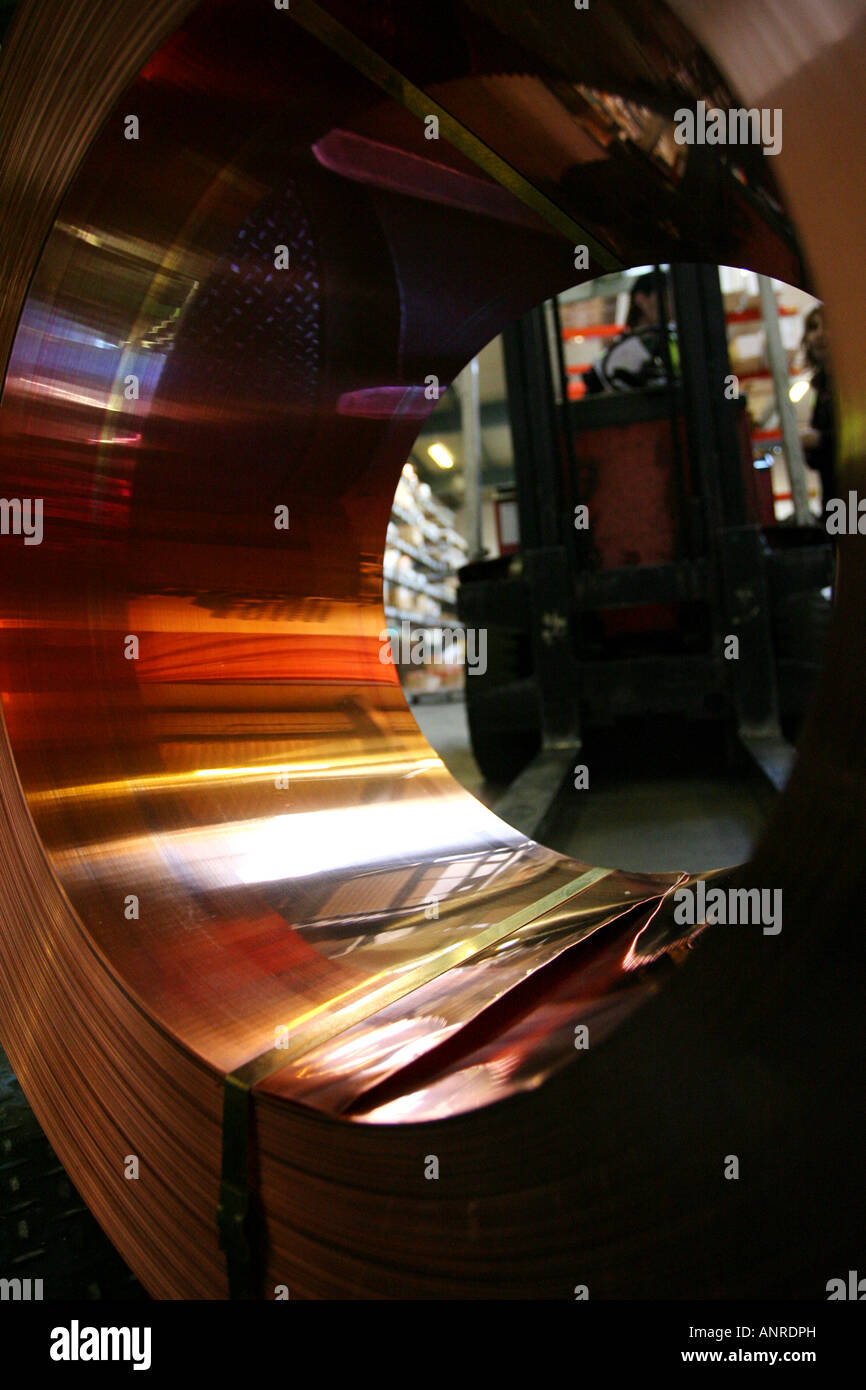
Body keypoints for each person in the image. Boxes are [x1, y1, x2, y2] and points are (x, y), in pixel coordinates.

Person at [583, 271, 671, 394]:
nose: (671, 305)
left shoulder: (669, 339)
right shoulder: (623, 352)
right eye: (666, 297)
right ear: (641, 299)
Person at [799, 305, 837, 520]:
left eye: (827, 326)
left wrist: (821, 439)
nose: (819, 334)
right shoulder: (820, 387)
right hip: (835, 501)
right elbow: (817, 461)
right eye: (813, 327)